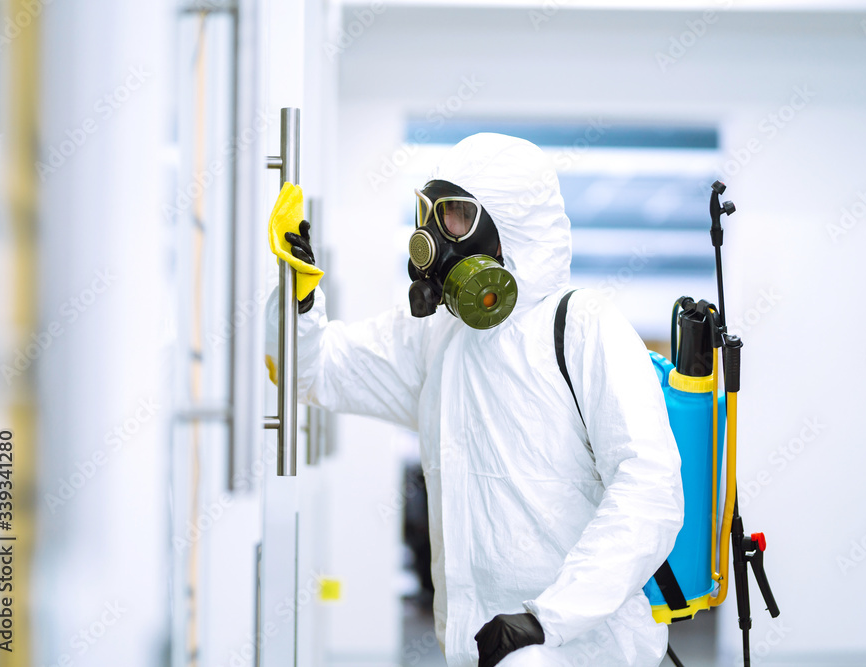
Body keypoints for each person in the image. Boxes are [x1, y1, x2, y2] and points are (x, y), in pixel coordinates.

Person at [265, 132, 683, 666]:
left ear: (511, 230)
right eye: (428, 213)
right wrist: (297, 296)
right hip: (477, 652)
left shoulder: (582, 328)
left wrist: (547, 620)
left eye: (455, 216)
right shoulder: (438, 338)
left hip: (582, 651)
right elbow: (313, 370)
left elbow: (649, 490)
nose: (431, 238)